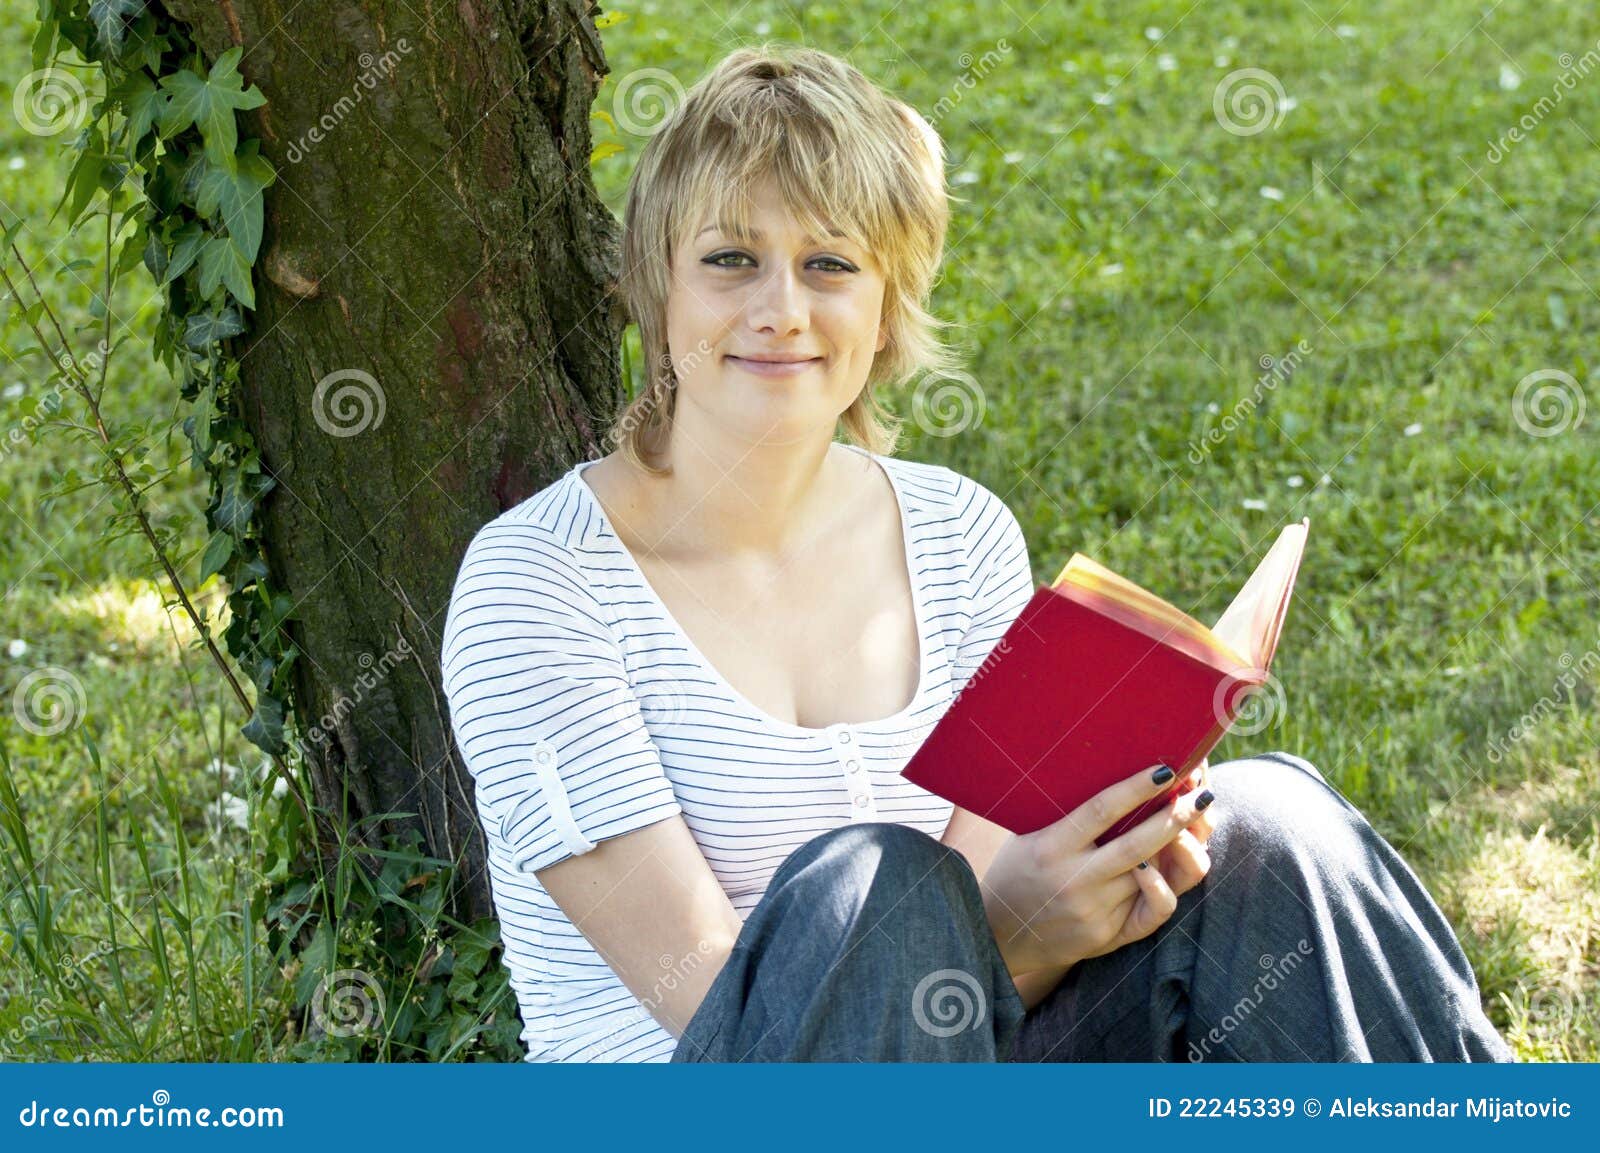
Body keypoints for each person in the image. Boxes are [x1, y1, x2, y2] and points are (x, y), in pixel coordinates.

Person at [438, 44, 1513, 1063]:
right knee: (871, 884)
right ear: (655, 285)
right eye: (730, 260)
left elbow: (980, 963)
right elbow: (719, 1012)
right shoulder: (537, 587)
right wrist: (1026, 932)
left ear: (885, 305)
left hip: (968, 1070)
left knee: (1275, 825)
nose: (780, 309)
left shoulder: (957, 533)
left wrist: (1102, 881)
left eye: (829, 264)